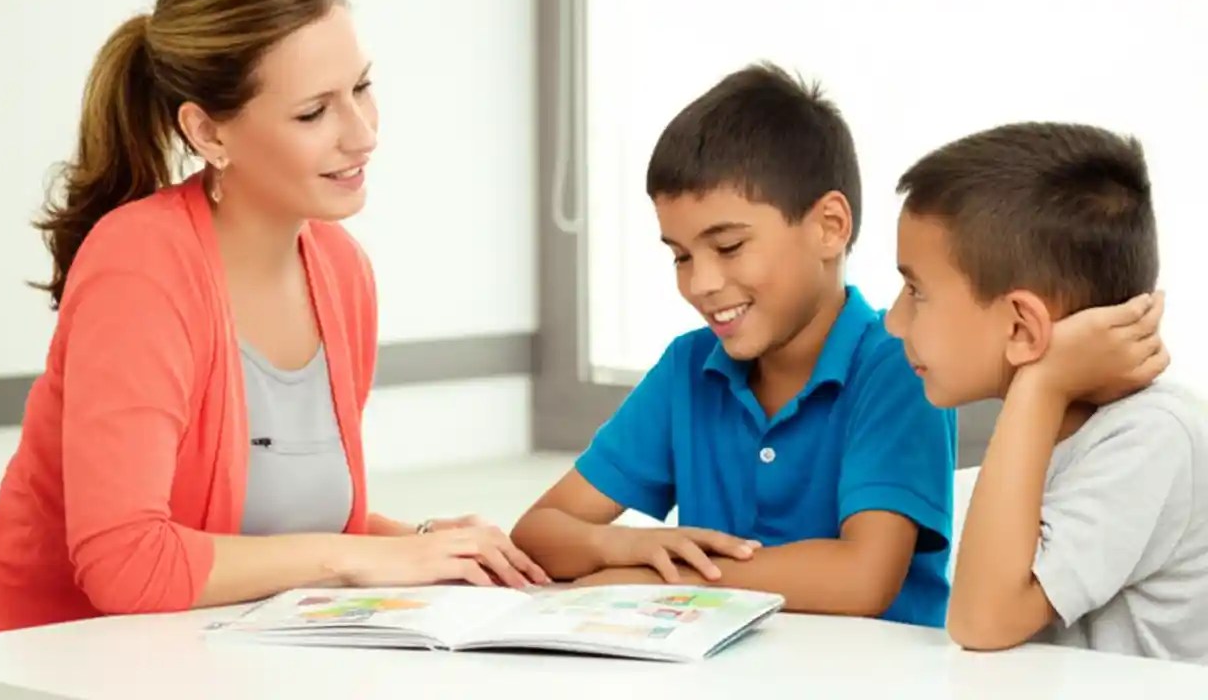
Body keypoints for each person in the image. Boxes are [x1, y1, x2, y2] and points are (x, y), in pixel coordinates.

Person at [0, 0, 547, 642]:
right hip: (7, 662)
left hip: (189, 661)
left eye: (361, 88)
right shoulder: (139, 266)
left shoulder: (342, 272)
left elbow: (263, 523)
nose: (363, 135)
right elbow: (127, 566)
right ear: (206, 131)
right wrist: (374, 557)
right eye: (314, 113)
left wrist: (427, 543)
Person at [510, 62, 957, 628]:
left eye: (728, 246)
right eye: (680, 255)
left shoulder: (898, 364)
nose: (701, 284)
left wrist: (657, 581)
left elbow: (861, 578)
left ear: (829, 226)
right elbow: (540, 530)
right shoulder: (689, 368)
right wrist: (621, 547)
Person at [885, 121, 1208, 663]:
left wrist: (1041, 381)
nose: (894, 321)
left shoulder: (1155, 438)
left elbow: (981, 622)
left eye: (916, 291)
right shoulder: (1050, 424)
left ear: (1021, 328)